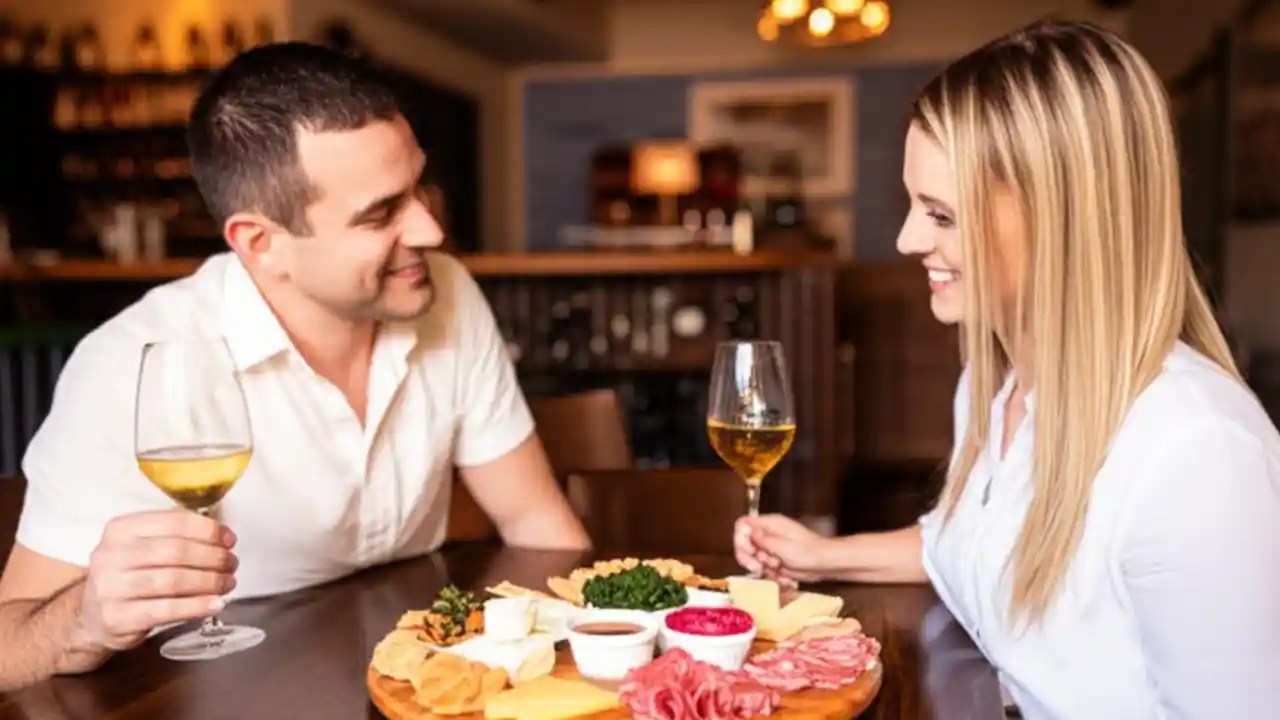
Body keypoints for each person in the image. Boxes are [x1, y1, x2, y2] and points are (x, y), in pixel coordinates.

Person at [0, 43, 590, 690]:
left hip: (415, 677)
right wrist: (83, 621)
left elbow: (539, 528)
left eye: (419, 184)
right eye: (380, 213)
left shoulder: (445, 293)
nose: (429, 229)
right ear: (260, 243)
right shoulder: (132, 365)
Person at [736, 20, 1279, 719]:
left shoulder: (1197, 457)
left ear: (1059, 219)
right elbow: (968, 542)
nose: (907, 239)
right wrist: (824, 554)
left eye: (940, 214)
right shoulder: (996, 386)